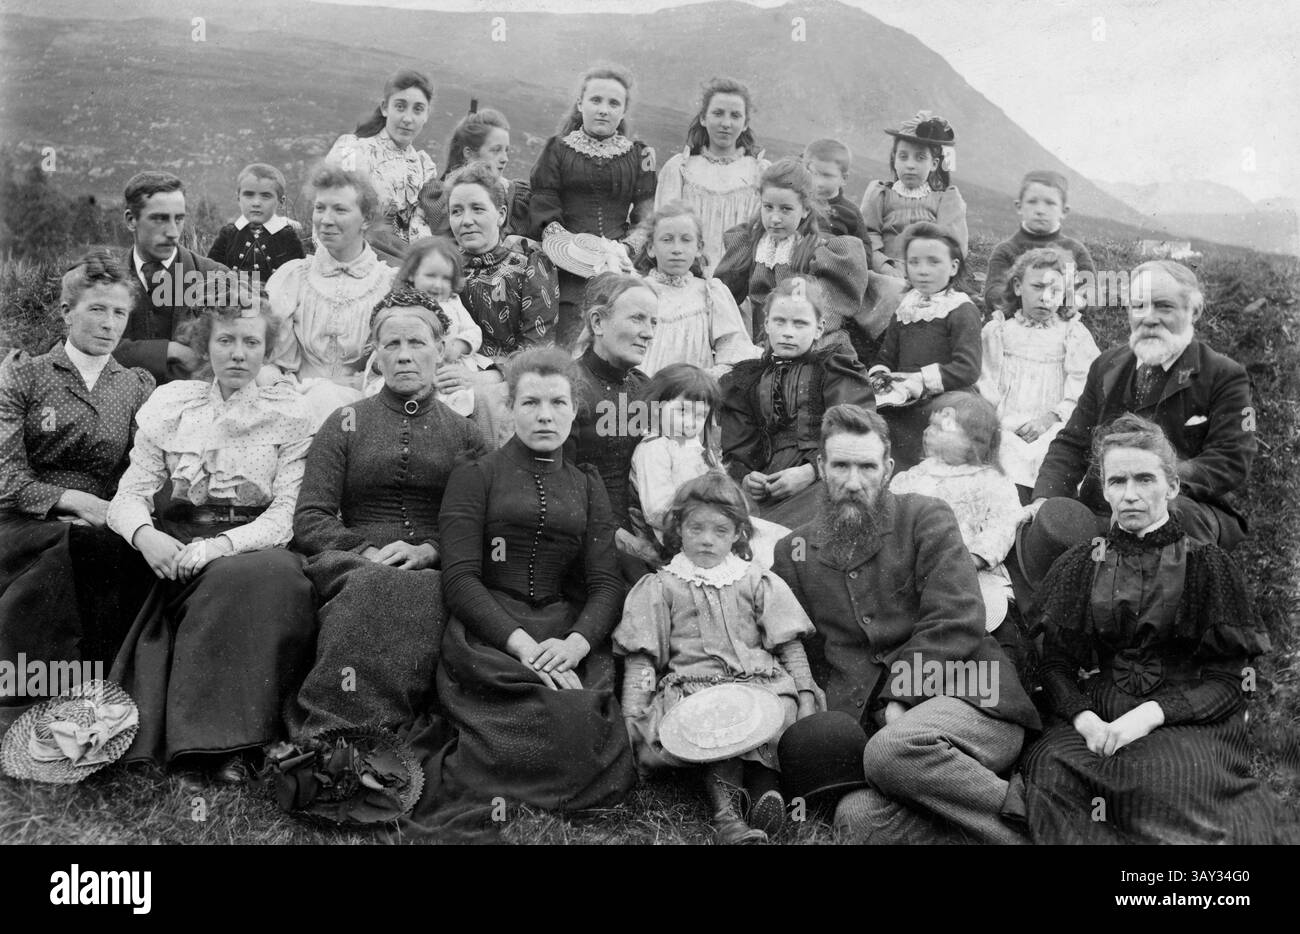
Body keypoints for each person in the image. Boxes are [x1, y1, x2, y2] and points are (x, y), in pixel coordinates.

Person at [1019, 414, 1296, 844]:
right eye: (1117, 481)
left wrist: (1148, 717)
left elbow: (1230, 682)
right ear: (1105, 489)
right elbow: (1056, 665)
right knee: (1050, 767)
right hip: (1103, 711)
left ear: (1172, 486)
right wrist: (1085, 720)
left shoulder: (1205, 564)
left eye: (1145, 479)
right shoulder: (1083, 564)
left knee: (1163, 776)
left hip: (1186, 715)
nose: (1130, 495)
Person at [771, 404, 1040, 845]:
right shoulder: (793, 550)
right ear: (820, 467)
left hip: (973, 698)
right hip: (886, 741)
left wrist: (900, 697)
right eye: (840, 466)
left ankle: (1050, 827)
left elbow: (956, 617)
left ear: (888, 469)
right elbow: (800, 648)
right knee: (856, 819)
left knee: (892, 750)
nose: (853, 482)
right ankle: (990, 822)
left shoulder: (925, 517)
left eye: (866, 467)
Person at [399, 347, 636, 841]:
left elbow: (605, 583)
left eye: (557, 402)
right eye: (530, 402)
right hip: (490, 631)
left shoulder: (587, 486)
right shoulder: (476, 474)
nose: (545, 415)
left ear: (574, 409)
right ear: (509, 407)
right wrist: (523, 646)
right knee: (518, 724)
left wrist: (575, 645)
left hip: (562, 630)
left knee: (579, 722)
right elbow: (460, 577)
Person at [107, 289, 316, 786]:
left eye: (251, 342)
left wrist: (219, 547)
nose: (238, 354)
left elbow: (286, 512)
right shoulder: (172, 404)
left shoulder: (289, 412)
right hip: (175, 541)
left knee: (270, 577)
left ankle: (223, 744)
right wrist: (145, 535)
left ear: (267, 350)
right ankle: (191, 740)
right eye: (226, 341)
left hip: (253, 542)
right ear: (206, 345)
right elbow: (129, 494)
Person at [290, 296, 486, 736]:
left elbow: (479, 521)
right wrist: (365, 551)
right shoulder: (345, 421)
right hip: (351, 558)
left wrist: (429, 551)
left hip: (434, 565)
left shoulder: (466, 433)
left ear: (440, 349)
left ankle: (383, 731)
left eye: (417, 343)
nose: (404, 355)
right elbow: (312, 515)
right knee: (370, 584)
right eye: (391, 344)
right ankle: (334, 730)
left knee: (427, 592)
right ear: (376, 355)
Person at [615, 472, 820, 844]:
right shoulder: (663, 585)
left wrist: (805, 692)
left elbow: (788, 645)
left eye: (720, 530)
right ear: (679, 528)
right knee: (716, 720)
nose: (707, 539)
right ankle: (728, 818)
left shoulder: (754, 580)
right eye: (696, 528)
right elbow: (642, 659)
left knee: (775, 711)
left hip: (760, 683)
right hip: (697, 691)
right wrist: (633, 714)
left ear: (738, 533)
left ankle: (764, 794)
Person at [0, 252, 156, 730]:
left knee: (118, 552)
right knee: (68, 548)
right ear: (67, 312)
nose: (109, 323)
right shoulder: (25, 374)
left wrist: (114, 511)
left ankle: (106, 701)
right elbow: (5, 476)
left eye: (119, 313)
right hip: (24, 519)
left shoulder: (135, 385)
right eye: (97, 309)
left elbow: (144, 471)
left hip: (106, 520)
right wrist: (73, 502)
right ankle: (31, 704)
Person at [1028, 260, 1255, 553]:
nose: (1149, 319)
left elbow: (1231, 458)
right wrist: (1045, 500)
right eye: (1139, 306)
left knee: (1173, 519)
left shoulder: (1224, 375)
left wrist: (1150, 484)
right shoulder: (1106, 365)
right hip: (1103, 508)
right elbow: (1071, 443)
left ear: (1194, 311)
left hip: (1179, 503)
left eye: (1164, 307)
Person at [888, 393, 1028, 673]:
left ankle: (1005, 677)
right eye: (929, 425)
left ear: (975, 440)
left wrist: (974, 558)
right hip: (919, 578)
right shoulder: (911, 479)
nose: (928, 432)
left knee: (1001, 640)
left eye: (942, 427)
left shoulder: (991, 480)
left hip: (974, 578)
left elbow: (1003, 524)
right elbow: (893, 522)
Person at [720, 278, 873, 527]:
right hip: (771, 483)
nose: (788, 332)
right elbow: (739, 448)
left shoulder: (834, 369)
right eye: (779, 321)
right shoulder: (748, 379)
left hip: (826, 474)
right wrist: (747, 478)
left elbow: (854, 432)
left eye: (800, 323)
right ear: (766, 324)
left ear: (819, 328)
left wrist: (811, 471)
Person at [529, 64, 657, 347]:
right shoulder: (557, 150)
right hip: (566, 271)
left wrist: (624, 250)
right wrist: (571, 250)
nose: (603, 110)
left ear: (623, 111)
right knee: (569, 348)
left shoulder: (639, 155)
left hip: (620, 266)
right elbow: (544, 204)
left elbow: (646, 217)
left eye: (614, 103)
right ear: (580, 104)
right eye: (596, 100)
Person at [264, 165, 396, 429]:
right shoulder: (293, 277)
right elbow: (268, 358)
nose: (325, 219)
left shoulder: (389, 284)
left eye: (340, 210)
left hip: (370, 406)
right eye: (319, 208)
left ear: (367, 218)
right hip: (296, 400)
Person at [978, 248, 1100, 496]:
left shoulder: (1071, 333)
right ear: (1018, 287)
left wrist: (1050, 419)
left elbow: (1084, 388)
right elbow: (985, 381)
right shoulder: (999, 331)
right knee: (999, 456)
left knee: (1051, 457)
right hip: (1004, 423)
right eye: (1037, 287)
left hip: (1053, 424)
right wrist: (996, 422)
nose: (1045, 298)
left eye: (1055, 291)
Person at [714, 157, 869, 350]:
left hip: (809, 345)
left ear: (805, 210)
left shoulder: (819, 252)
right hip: (764, 344)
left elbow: (826, 316)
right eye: (768, 207)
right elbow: (722, 297)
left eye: (786, 209)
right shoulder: (751, 245)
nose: (775, 218)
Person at [867, 221, 982, 471]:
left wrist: (920, 380)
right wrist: (881, 376)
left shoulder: (960, 309)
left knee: (940, 430)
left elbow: (968, 368)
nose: (923, 271)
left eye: (933, 262)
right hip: (905, 398)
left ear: (953, 267)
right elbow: (887, 356)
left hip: (947, 396)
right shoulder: (906, 306)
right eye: (914, 262)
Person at [113, 171, 230, 383]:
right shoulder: (105, 280)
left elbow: (237, 347)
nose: (173, 232)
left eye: (179, 219)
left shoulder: (217, 277)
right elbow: (86, 346)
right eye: (160, 219)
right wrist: (170, 350)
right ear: (131, 220)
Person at [566, 272, 654, 538]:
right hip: (584, 530)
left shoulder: (645, 386)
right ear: (598, 322)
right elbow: (558, 483)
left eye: (653, 322)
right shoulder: (567, 387)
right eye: (637, 318)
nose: (648, 333)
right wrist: (624, 541)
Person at [654, 77, 768, 272]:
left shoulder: (760, 172)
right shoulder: (680, 168)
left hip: (741, 277)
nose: (726, 123)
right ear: (703, 118)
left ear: (745, 123)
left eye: (735, 116)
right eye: (718, 113)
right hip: (687, 275)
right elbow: (663, 229)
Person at [634, 201, 759, 379]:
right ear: (651, 248)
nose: (677, 249)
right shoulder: (636, 291)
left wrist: (704, 380)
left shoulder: (709, 294)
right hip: (644, 386)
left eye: (686, 240)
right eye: (667, 240)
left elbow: (733, 349)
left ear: (699, 248)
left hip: (694, 390)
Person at [326, 69, 438, 260]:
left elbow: (421, 227)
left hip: (407, 258)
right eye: (400, 107)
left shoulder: (423, 166)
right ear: (385, 108)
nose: (408, 119)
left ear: (426, 114)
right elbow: (330, 213)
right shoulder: (351, 149)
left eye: (418, 109)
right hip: (358, 254)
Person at [625, 363, 720, 558]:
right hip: (673, 536)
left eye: (700, 415)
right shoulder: (655, 448)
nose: (690, 422)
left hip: (709, 526)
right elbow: (657, 510)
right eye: (682, 411)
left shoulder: (696, 448)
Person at [859, 111, 968, 278]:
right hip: (886, 273)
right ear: (894, 160)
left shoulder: (945, 200)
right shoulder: (880, 194)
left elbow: (953, 244)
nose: (910, 165)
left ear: (934, 164)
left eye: (920, 157)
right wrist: (884, 267)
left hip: (927, 274)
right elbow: (868, 236)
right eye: (903, 157)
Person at [382, 239, 482, 420]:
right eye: (430, 276)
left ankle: (455, 422)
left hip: (447, 370)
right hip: (411, 367)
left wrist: (459, 345)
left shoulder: (452, 302)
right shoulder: (402, 304)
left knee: (456, 396)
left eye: (446, 278)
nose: (438, 285)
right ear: (411, 274)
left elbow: (474, 331)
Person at [982, 171, 1097, 315]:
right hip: (1017, 323)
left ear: (1064, 211)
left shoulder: (1075, 250)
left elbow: (1092, 292)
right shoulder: (1005, 250)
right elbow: (993, 293)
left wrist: (1076, 301)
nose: (1040, 210)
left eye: (1050, 203)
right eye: (1032, 202)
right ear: (1019, 206)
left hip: (1062, 323)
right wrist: (1028, 299)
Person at [434, 107, 531, 238]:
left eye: (506, 150)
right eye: (496, 150)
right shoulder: (439, 200)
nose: (505, 159)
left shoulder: (517, 197)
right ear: (469, 153)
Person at [206, 163, 305, 282]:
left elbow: (298, 279)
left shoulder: (287, 236)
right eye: (249, 195)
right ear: (238, 198)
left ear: (281, 202)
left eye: (265, 196)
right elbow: (211, 274)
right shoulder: (228, 234)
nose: (256, 203)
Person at [803, 138, 868, 242]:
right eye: (812, 173)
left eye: (827, 176)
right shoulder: (800, 202)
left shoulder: (851, 211)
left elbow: (865, 247)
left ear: (843, 178)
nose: (818, 182)